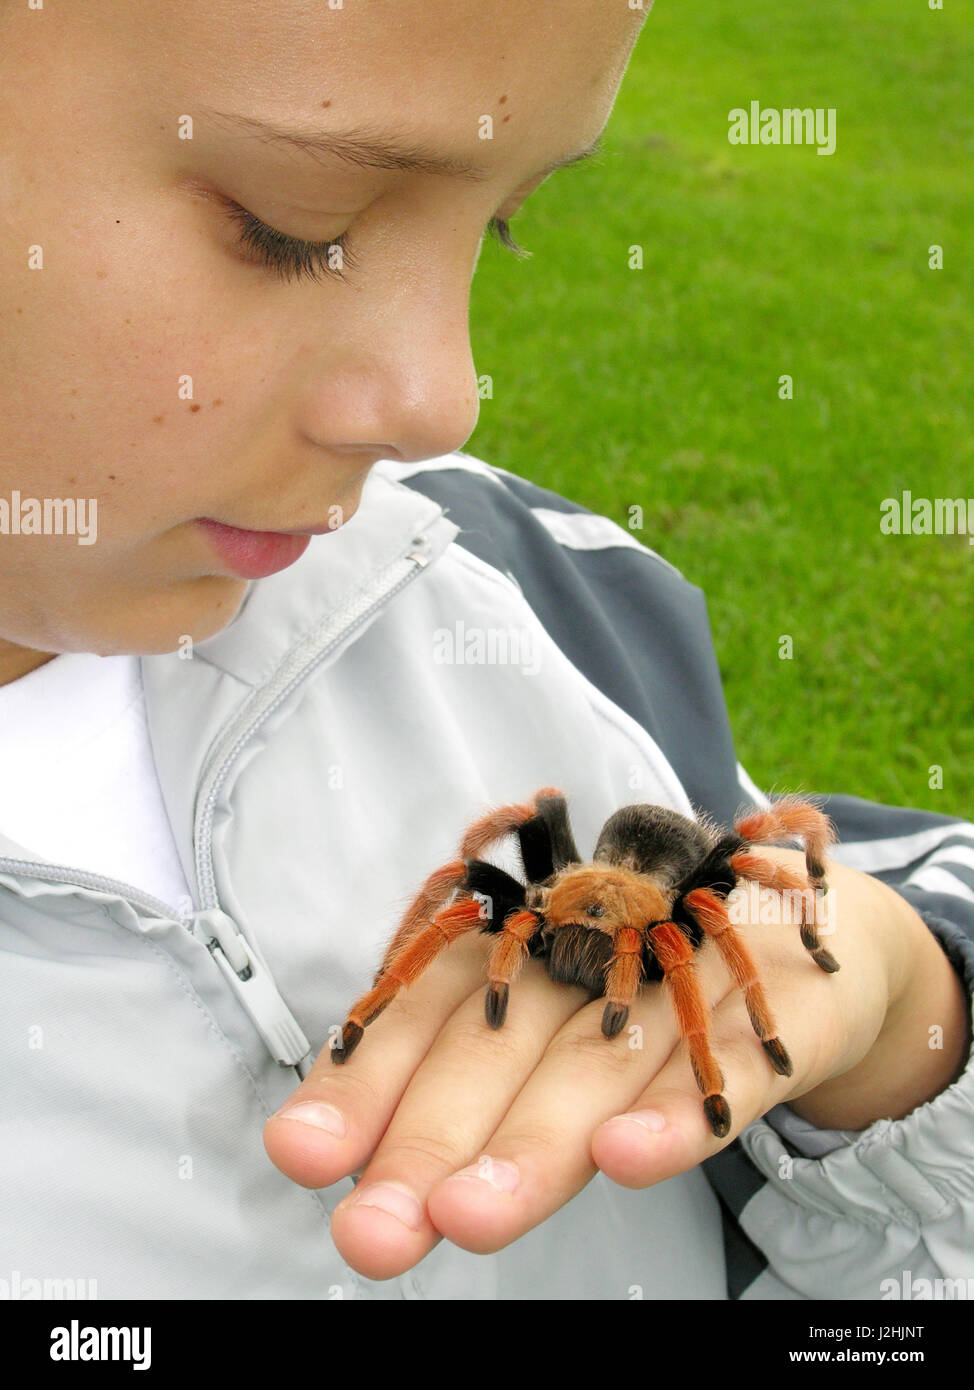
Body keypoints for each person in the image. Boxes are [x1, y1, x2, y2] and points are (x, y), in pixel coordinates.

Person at [0, 0, 970, 1302]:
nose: (439, 395)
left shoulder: (523, 584)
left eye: (502, 227)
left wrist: (905, 1014)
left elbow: (798, 883)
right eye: (298, 228)